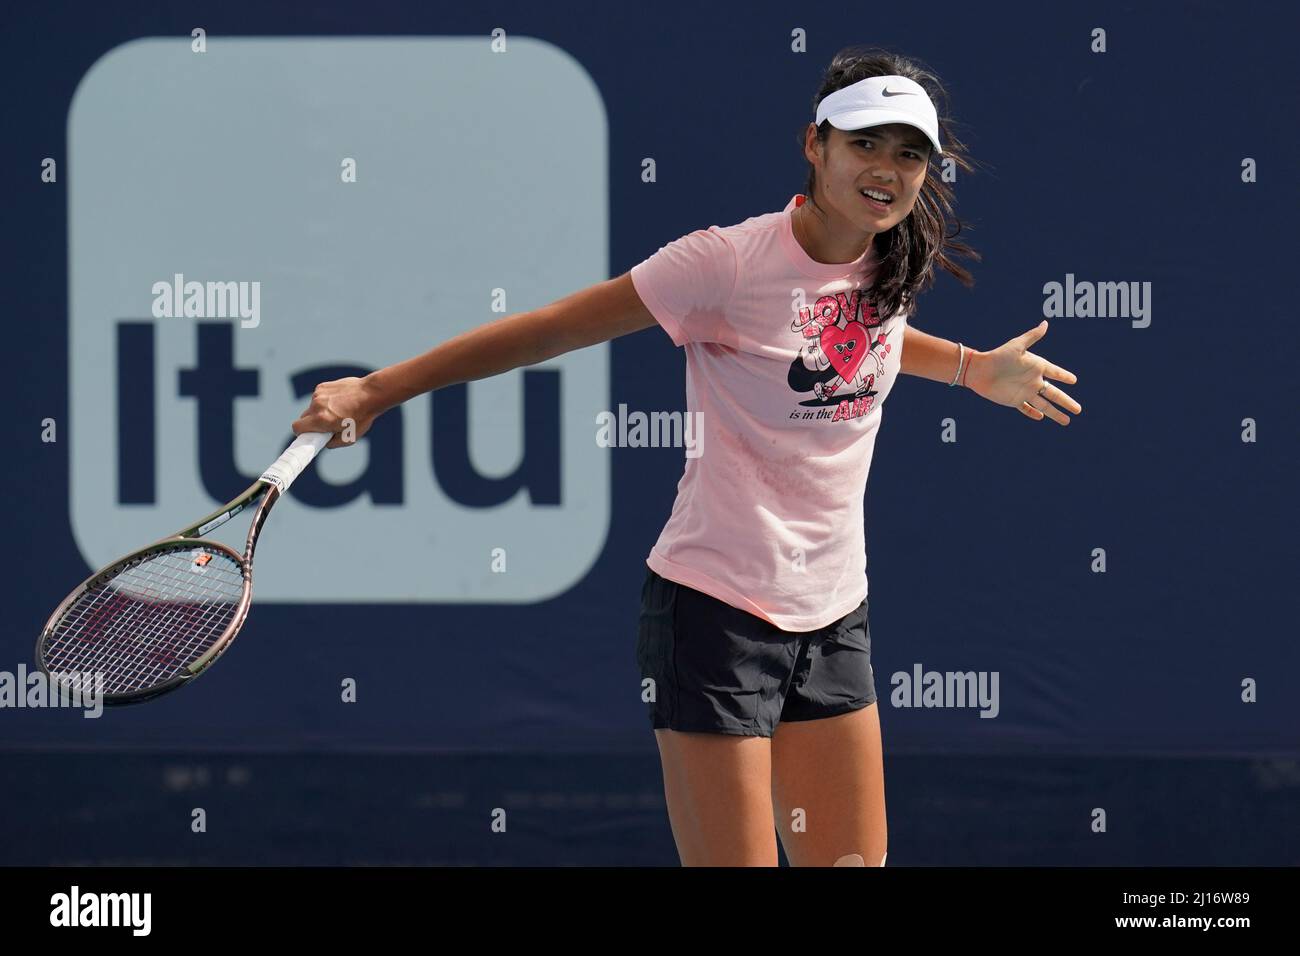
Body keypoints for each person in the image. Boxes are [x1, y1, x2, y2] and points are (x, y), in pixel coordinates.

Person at [291, 46, 1081, 867]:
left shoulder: (892, 256)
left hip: (836, 610)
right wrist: (377, 391)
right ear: (816, 145)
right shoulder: (721, 264)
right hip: (717, 616)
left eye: (909, 153)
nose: (886, 169)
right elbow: (551, 327)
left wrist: (969, 369)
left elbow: (861, 340)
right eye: (865, 144)